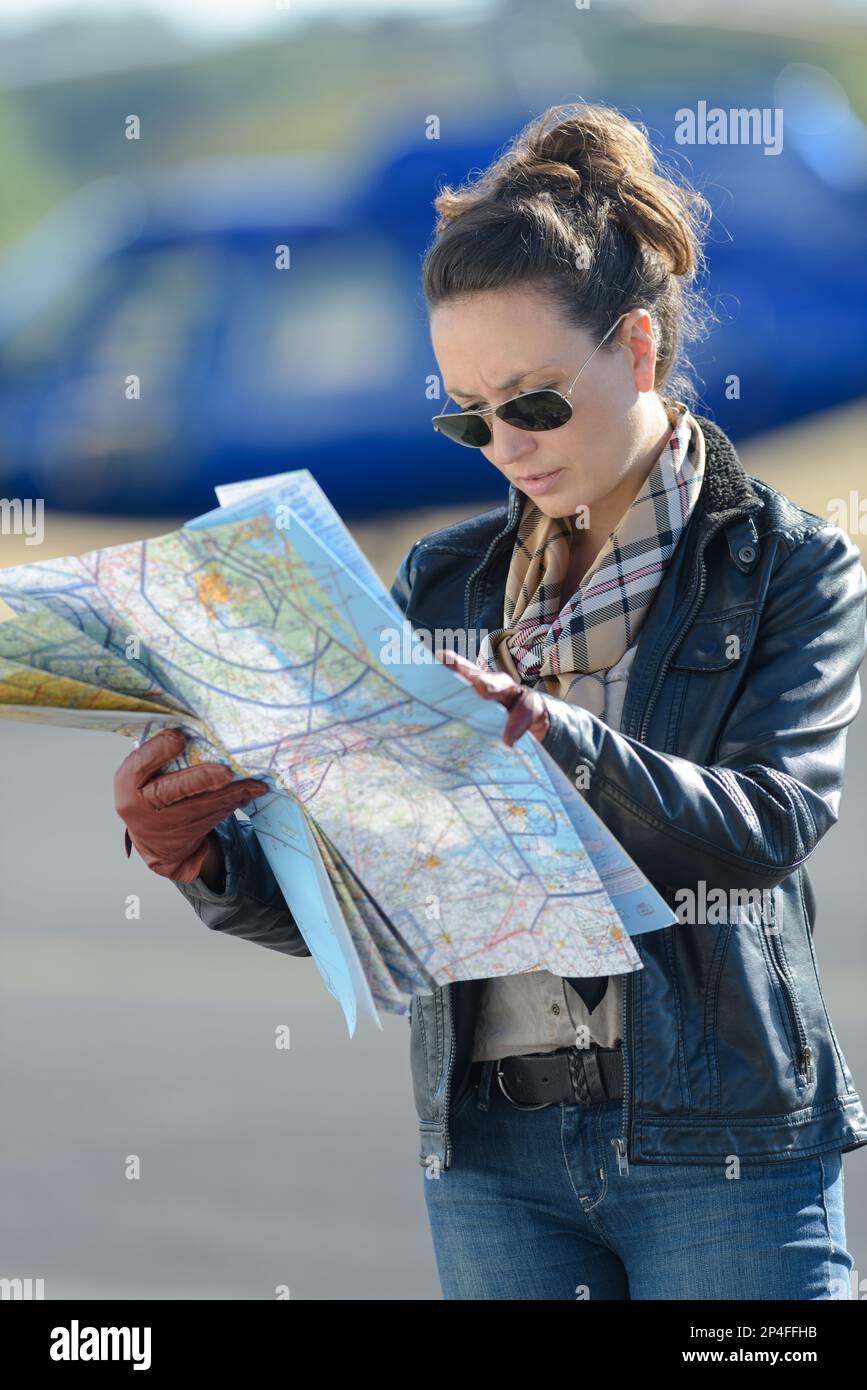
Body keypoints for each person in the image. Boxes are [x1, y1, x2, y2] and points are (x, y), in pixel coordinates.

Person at [114, 101, 867, 1301]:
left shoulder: (792, 565)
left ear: (640, 350)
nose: (505, 444)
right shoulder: (445, 578)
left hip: (720, 1149)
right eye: (470, 414)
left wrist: (548, 731)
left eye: (533, 401)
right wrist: (203, 857)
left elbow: (766, 825)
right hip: (491, 1160)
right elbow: (374, 891)